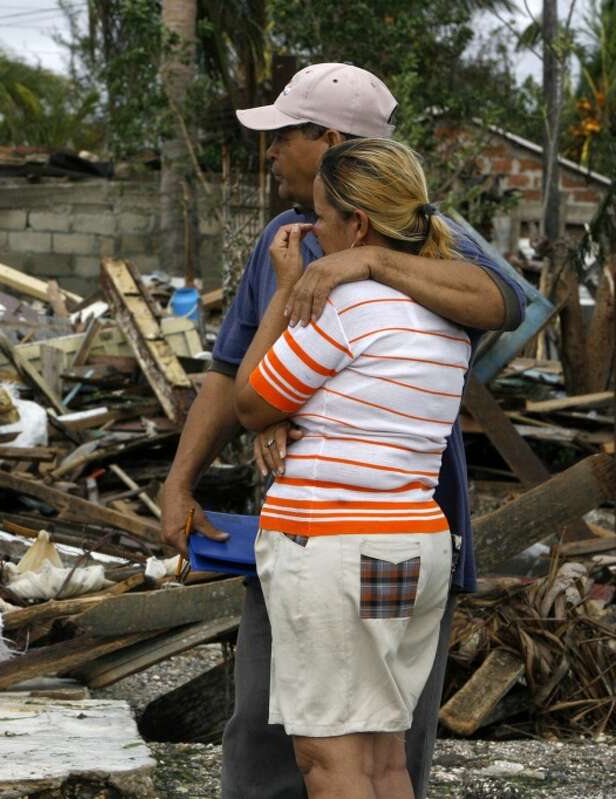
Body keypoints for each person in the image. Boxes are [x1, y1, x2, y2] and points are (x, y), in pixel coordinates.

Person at [158, 63, 526, 798]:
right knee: (323, 742)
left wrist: (365, 261)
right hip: (384, 529)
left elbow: (505, 301)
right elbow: (232, 372)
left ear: (328, 143)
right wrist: (179, 480)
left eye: (281, 136)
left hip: (333, 538)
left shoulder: (425, 244)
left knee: (341, 756)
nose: (268, 153)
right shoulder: (287, 238)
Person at [236, 137, 466, 798]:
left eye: (319, 219)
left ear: (358, 225)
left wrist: (283, 291)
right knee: (382, 756)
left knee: (329, 760)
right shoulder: (445, 311)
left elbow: (251, 401)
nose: (310, 234)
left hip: (334, 546)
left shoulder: (347, 305)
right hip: (409, 544)